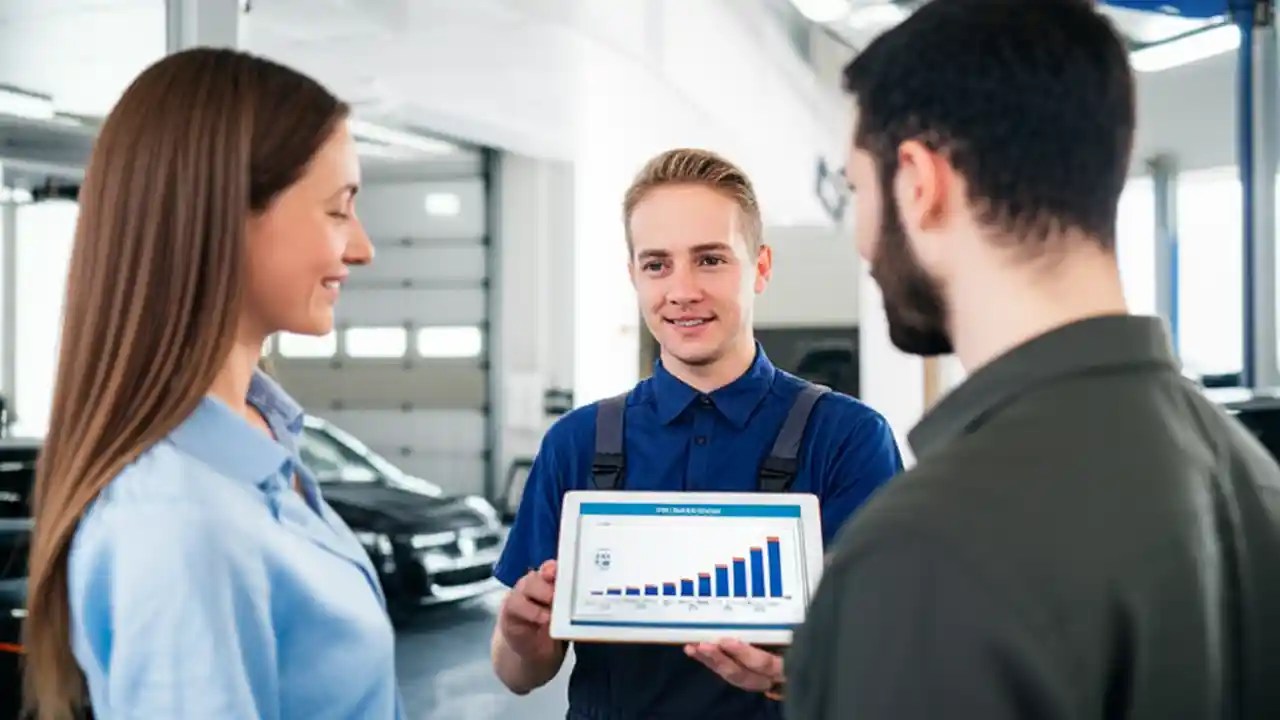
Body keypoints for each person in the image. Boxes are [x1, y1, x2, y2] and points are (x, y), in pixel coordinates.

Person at [785, 1, 1280, 718]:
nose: (861, 239)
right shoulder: (1256, 485)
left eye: (858, 188)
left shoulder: (925, 551)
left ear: (920, 184)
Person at [22, 48, 402, 719]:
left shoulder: (258, 445)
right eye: (339, 210)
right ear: (228, 215)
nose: (364, 247)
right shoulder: (178, 523)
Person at [491, 147, 903, 719]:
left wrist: (792, 676)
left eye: (710, 260)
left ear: (760, 266)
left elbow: (886, 657)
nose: (681, 290)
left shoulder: (848, 440)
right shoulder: (576, 442)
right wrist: (521, 637)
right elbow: (518, 676)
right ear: (633, 274)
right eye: (657, 264)